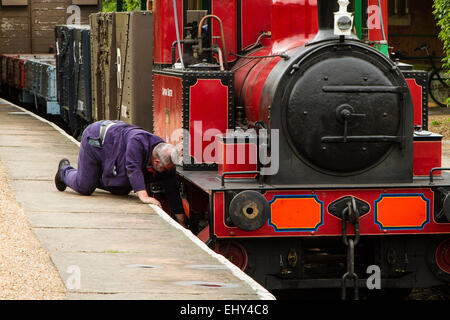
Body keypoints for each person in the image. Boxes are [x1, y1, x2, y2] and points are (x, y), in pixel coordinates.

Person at [54, 120, 186, 227]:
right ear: (157, 162)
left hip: (113, 148)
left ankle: (93, 176)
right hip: (95, 140)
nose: (166, 172)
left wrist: (181, 221)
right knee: (84, 187)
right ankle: (64, 172)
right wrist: (144, 197)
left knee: (121, 189)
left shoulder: (165, 156)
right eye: (164, 169)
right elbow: (133, 167)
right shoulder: (138, 141)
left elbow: (172, 187)